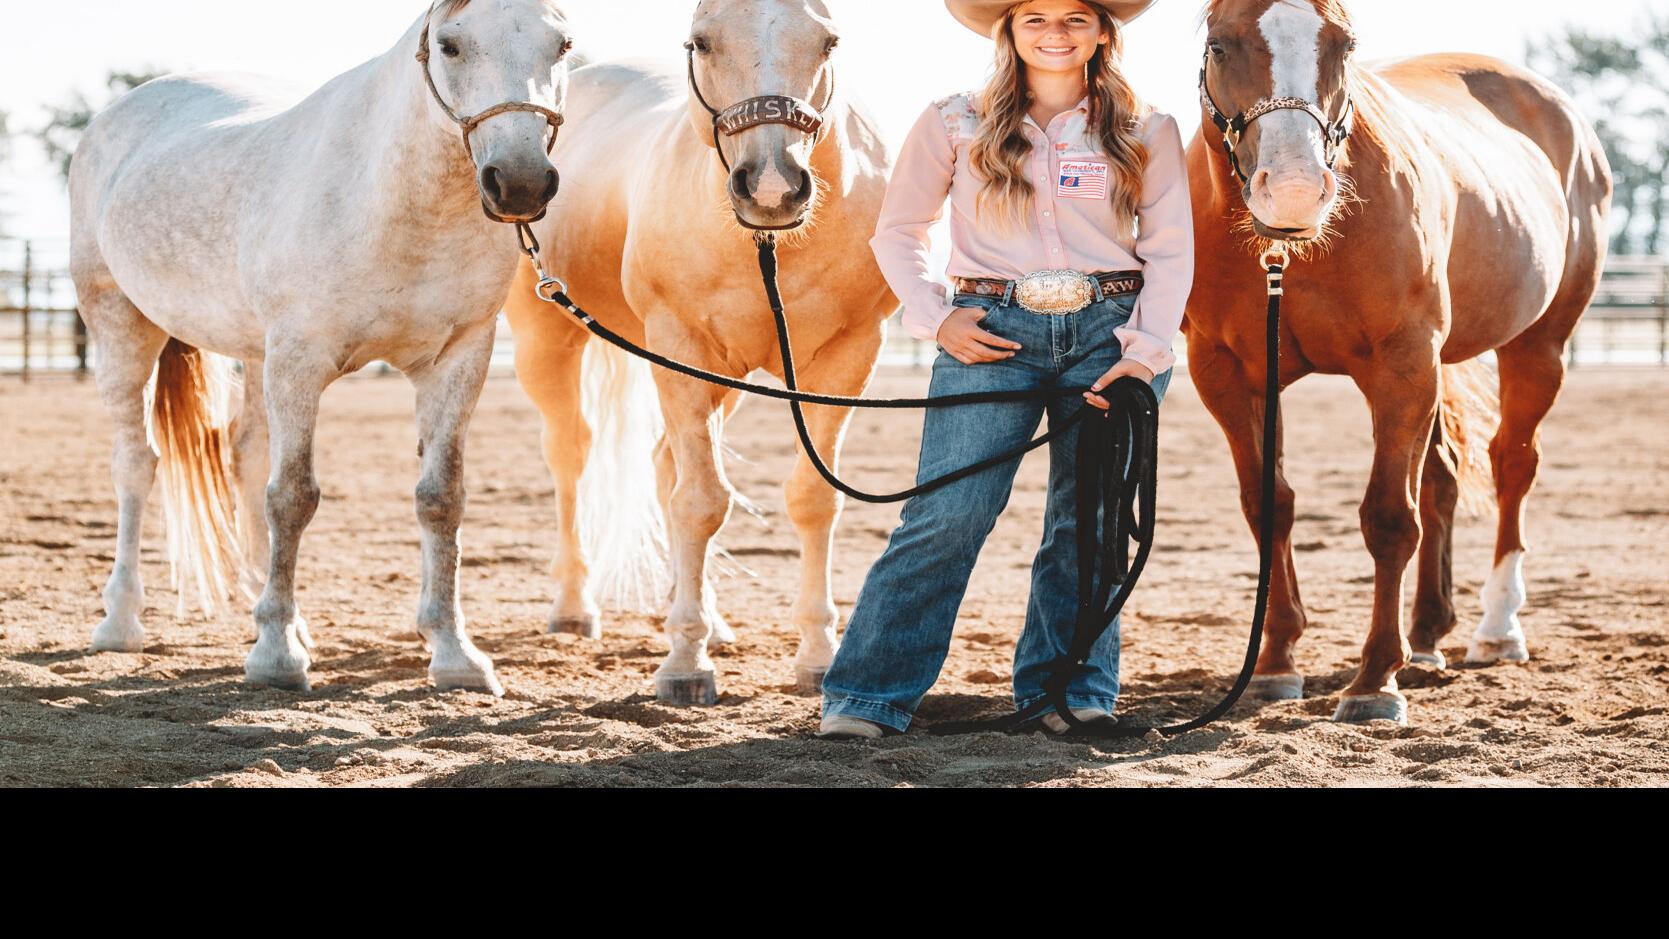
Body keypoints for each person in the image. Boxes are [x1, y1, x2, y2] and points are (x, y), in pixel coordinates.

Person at [817, 0, 1193, 738]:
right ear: (1009, 31)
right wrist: (935, 317)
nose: (1056, 33)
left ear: (1103, 31)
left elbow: (1171, 248)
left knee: (1091, 523)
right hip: (989, 330)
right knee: (947, 512)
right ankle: (866, 695)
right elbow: (898, 231)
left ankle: (1069, 691)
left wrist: (1144, 351)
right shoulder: (952, 120)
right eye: (1036, 19)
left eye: (1075, 18)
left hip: (1110, 336)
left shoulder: (1147, 129)